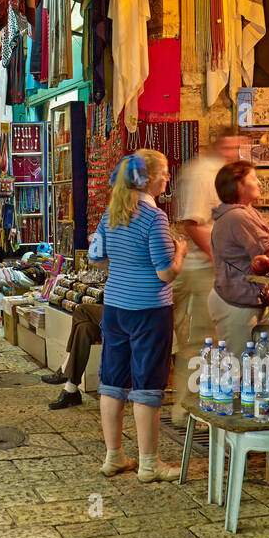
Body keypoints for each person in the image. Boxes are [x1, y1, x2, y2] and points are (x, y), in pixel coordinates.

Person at [89, 150, 186, 483]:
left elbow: (96, 257)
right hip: (149, 310)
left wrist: (123, 268)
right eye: (164, 172)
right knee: (147, 384)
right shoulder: (153, 218)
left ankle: (113, 457)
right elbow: (166, 272)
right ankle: (148, 464)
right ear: (148, 179)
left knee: (112, 382)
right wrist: (181, 252)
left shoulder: (111, 213)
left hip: (116, 308)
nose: (168, 178)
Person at [169, 125, 243, 428]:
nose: (235, 153)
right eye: (231, 147)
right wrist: (217, 259)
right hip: (202, 269)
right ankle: (187, 409)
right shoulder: (204, 173)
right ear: (219, 145)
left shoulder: (216, 172)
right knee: (202, 340)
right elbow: (192, 222)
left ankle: (190, 406)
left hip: (206, 267)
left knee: (204, 340)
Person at [207, 161, 269, 350]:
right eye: (253, 178)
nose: (259, 183)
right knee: (239, 361)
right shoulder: (238, 217)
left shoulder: (246, 212)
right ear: (239, 186)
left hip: (238, 297)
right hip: (237, 303)